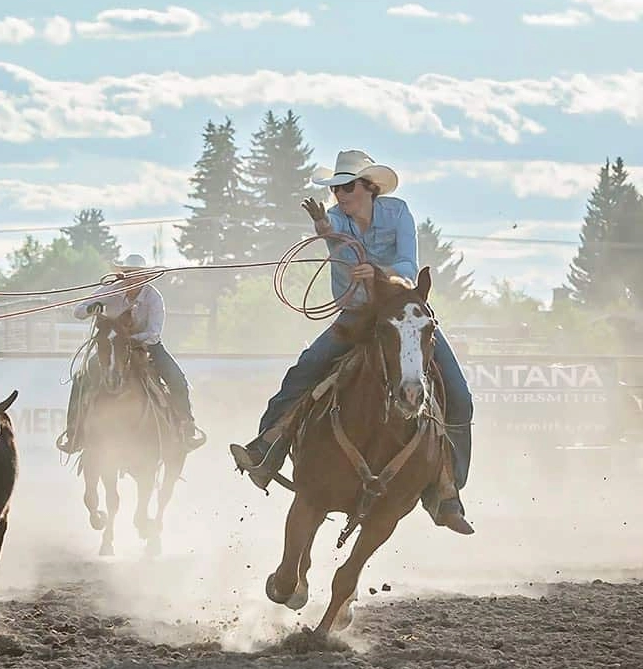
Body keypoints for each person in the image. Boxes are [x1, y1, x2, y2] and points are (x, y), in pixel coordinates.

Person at [229, 149, 475, 535]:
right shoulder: (338, 219)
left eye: (346, 187)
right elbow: (334, 242)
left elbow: (410, 267)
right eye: (336, 188)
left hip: (403, 314)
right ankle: (267, 448)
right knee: (307, 369)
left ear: (369, 188)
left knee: (459, 396)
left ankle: (447, 491)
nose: (340, 194)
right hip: (358, 315)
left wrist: (378, 272)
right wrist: (324, 228)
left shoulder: (398, 214)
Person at [57, 253, 205, 454]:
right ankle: (74, 431)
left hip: (147, 346)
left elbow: (153, 334)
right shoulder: (110, 289)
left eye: (137, 274)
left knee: (177, 379)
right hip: (111, 346)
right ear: (122, 275)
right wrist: (92, 307)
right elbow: (78, 311)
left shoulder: (154, 298)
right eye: (128, 273)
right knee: (81, 378)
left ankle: (187, 426)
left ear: (145, 277)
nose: (133, 278)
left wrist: (128, 340)